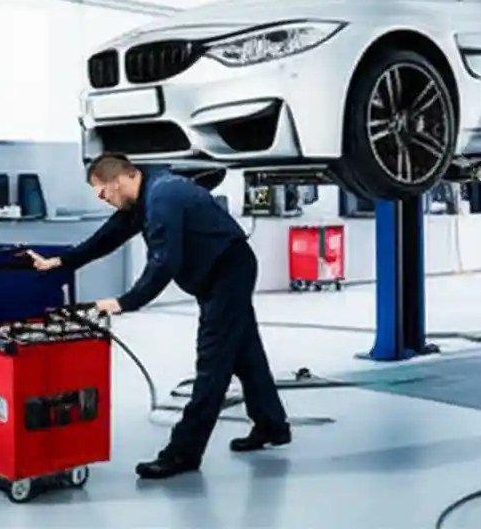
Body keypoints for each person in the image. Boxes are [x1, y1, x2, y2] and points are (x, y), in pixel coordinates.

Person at [23, 152, 290, 479]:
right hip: (222, 270)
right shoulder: (145, 195)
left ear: (119, 180)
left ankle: (183, 454)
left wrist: (125, 302)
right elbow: (110, 235)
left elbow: (165, 262)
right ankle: (272, 426)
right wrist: (62, 262)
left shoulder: (163, 197)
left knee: (212, 364)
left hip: (227, 273)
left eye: (102, 191)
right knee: (245, 354)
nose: (103, 199)